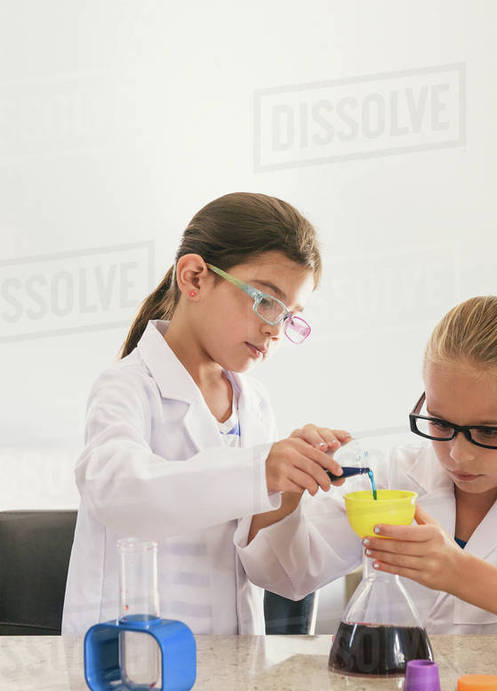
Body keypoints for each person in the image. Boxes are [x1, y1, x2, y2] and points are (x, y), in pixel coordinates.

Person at [240, 295, 497, 651]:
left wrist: (458, 572)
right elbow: (283, 575)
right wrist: (286, 489)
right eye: (441, 424)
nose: (459, 455)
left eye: (489, 431)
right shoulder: (396, 477)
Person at [62, 192, 349, 636]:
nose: (275, 329)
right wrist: (263, 471)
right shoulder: (128, 386)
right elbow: (119, 492)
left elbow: (272, 573)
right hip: (131, 665)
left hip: (231, 672)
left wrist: (287, 491)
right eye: (266, 301)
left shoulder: (254, 404)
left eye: (291, 315)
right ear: (194, 277)